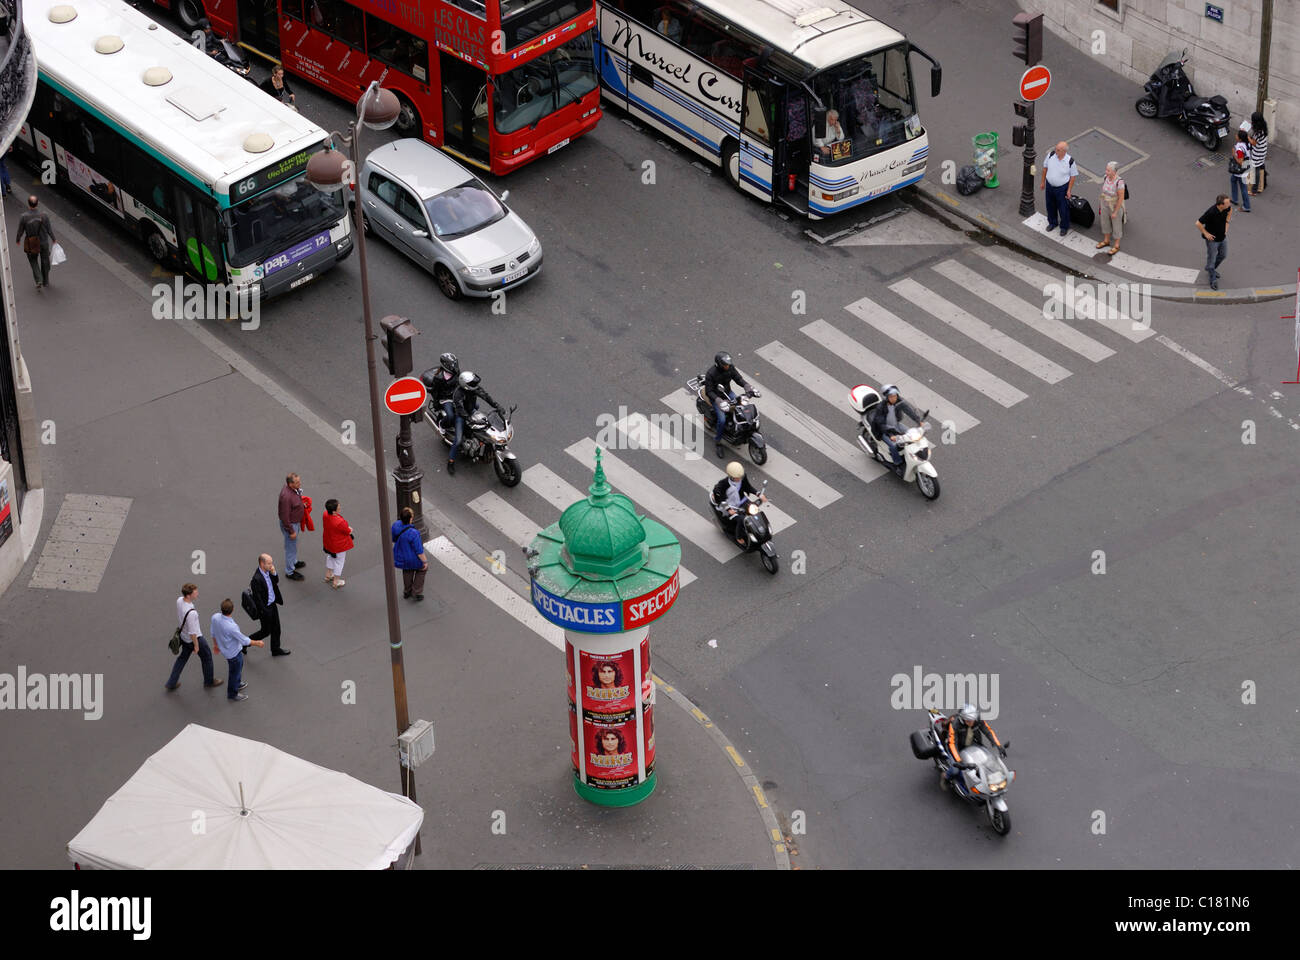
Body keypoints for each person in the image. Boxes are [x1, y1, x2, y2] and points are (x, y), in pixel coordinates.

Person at [165, 583, 223, 691]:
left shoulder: (179, 601)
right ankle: (209, 681)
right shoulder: (192, 613)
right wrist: (196, 646)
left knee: (182, 659)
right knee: (207, 657)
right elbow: (193, 632)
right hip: (194, 639)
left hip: (183, 636)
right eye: (195, 592)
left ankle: (171, 682)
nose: (197, 593)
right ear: (188, 595)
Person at [448, 370, 505, 476]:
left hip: (471, 411)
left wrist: (497, 406)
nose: (476, 385)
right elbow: (460, 409)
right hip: (461, 416)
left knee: (486, 426)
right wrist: (468, 419)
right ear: (465, 385)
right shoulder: (458, 394)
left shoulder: (475, 389)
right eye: (472, 383)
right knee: (458, 440)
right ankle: (450, 462)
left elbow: (486, 397)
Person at [210, 598, 263, 702]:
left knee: (237, 669)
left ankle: (237, 683)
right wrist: (258, 643)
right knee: (234, 672)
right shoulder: (232, 627)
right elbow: (244, 640)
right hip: (233, 653)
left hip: (227, 650)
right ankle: (232, 693)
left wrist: (216, 645)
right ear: (232, 610)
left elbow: (213, 632)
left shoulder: (215, 617)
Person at [704, 352, 751, 459]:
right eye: (725, 365)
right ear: (719, 364)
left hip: (728, 393)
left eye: (729, 364)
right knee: (722, 420)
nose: (728, 366)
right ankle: (718, 441)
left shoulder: (730, 368)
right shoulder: (711, 374)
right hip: (716, 398)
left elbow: (738, 378)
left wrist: (746, 385)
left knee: (740, 408)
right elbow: (709, 391)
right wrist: (718, 400)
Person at [943, 703, 1005, 785]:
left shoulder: (977, 719)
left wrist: (998, 745)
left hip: (971, 743)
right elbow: (952, 743)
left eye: (973, 720)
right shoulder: (955, 724)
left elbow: (988, 731)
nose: (971, 723)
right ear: (962, 719)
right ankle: (945, 776)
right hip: (956, 747)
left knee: (987, 758)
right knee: (955, 771)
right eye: (968, 721)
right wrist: (959, 761)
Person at [868, 385, 924, 471]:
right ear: (886, 397)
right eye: (891, 397)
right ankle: (897, 464)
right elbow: (881, 424)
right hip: (883, 430)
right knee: (893, 446)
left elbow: (908, 410)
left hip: (896, 425)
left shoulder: (899, 401)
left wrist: (918, 421)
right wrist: (890, 435)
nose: (894, 398)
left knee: (912, 434)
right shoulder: (881, 408)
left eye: (895, 396)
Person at [711, 461, 765, 546]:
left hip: (742, 501)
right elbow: (719, 497)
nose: (740, 478)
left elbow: (748, 487)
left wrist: (758, 494)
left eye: (741, 476)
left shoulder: (742, 478)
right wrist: (729, 509)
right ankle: (738, 536)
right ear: (731, 476)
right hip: (730, 506)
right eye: (738, 477)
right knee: (741, 519)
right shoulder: (724, 484)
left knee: (755, 511)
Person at [248, 553, 290, 656]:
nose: (271, 565)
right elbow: (258, 600)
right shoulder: (256, 579)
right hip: (265, 609)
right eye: (269, 563)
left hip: (272, 605)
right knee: (265, 631)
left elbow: (276, 581)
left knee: (277, 628)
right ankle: (245, 642)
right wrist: (265, 611)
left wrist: (274, 572)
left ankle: (275, 649)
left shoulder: (268, 571)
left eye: (271, 562)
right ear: (262, 564)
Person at [15, 195, 55, 291]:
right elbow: (49, 229)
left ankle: (38, 280)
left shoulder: (24, 217)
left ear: (29, 204)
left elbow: (20, 230)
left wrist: (18, 239)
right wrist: (54, 239)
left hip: (31, 243)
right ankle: (45, 281)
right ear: (37, 203)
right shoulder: (44, 215)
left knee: (33, 260)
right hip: (44, 242)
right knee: (45, 261)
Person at [1039, 141, 1078, 237]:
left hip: (1062, 188)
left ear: (1064, 151)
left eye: (1058, 150)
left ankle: (1064, 227)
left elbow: (1073, 177)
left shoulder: (1070, 161)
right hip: (1049, 186)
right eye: (1056, 148)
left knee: (1063, 208)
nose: (1056, 150)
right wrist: (1043, 182)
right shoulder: (1051, 155)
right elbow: (1045, 169)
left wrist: (1069, 190)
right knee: (1050, 205)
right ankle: (1052, 222)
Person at [1195, 194, 1232, 291]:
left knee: (1223, 255)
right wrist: (1206, 234)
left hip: (1222, 238)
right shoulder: (1211, 212)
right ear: (1221, 205)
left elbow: (1229, 212)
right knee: (1212, 258)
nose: (1229, 204)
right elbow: (1198, 223)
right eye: (1227, 203)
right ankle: (1212, 278)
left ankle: (1210, 269)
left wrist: (1227, 225)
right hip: (1212, 241)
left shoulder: (1227, 208)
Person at [391, 507, 429, 600]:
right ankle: (416, 592)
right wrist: (425, 562)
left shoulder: (395, 525)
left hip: (402, 555)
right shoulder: (414, 533)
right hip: (413, 558)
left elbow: (393, 538)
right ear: (410, 519)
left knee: (407, 571)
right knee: (422, 570)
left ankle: (407, 592)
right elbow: (419, 551)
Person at [278, 472, 307, 579]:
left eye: (299, 480)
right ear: (290, 484)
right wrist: (291, 531)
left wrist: (301, 505)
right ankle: (289, 572)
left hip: (294, 522)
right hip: (290, 525)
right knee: (290, 548)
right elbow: (285, 517)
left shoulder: (292, 490)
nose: (300, 483)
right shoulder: (286, 497)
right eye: (297, 482)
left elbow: (295, 500)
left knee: (293, 545)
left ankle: (294, 562)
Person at [321, 499, 353, 589]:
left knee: (331, 556)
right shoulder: (339, 522)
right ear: (334, 511)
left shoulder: (325, 514)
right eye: (338, 507)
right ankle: (336, 581)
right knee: (339, 562)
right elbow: (347, 531)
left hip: (329, 541)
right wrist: (350, 529)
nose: (340, 508)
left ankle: (328, 574)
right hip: (339, 545)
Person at [1095, 161, 1125, 256]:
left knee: (1116, 225)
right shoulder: (1105, 177)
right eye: (1106, 169)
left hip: (1114, 205)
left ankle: (1116, 245)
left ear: (1114, 171)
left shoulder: (1119, 182)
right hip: (1104, 203)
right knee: (1105, 222)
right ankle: (1106, 240)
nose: (1106, 171)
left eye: (1108, 170)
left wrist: (1116, 211)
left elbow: (1121, 198)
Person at [427, 352, 460, 429]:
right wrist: (436, 403)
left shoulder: (456, 372)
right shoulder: (439, 378)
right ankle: (442, 425)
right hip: (446, 399)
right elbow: (436, 392)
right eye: (452, 365)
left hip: (456, 395)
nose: (454, 367)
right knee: (450, 416)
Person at [1229, 129, 1251, 212]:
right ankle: (1235, 199)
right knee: (1233, 180)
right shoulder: (1246, 143)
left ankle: (1247, 206)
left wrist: (1234, 153)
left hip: (1241, 170)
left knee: (1243, 188)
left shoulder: (1239, 149)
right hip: (1247, 165)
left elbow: (1240, 162)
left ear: (1240, 139)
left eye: (1237, 135)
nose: (1235, 136)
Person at [1247, 112, 1268, 196]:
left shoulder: (1257, 133)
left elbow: (1253, 143)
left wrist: (1248, 136)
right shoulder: (1263, 127)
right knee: (1260, 165)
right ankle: (1263, 182)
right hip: (1263, 150)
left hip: (1257, 153)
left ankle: (1254, 190)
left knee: (1256, 171)